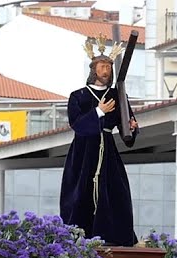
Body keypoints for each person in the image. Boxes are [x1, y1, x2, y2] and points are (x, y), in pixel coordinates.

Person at [60, 47, 140, 246]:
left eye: (109, 68)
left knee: (114, 192)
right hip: (83, 152)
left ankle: (114, 237)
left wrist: (131, 127)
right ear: (94, 70)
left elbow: (126, 130)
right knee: (80, 193)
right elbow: (77, 124)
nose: (106, 71)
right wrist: (98, 111)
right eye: (103, 67)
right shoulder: (78, 96)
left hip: (108, 150)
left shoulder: (118, 95)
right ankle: (78, 238)